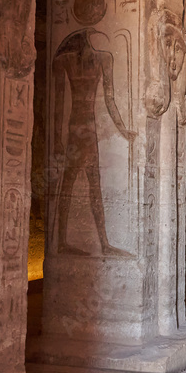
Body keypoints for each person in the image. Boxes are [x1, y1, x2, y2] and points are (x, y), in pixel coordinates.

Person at [52, 29, 136, 256]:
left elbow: (109, 100)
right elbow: (59, 102)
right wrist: (56, 139)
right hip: (81, 130)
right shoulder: (80, 60)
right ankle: (76, 243)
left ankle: (101, 244)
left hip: (82, 130)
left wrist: (123, 130)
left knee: (85, 185)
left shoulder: (100, 59)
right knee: (77, 185)